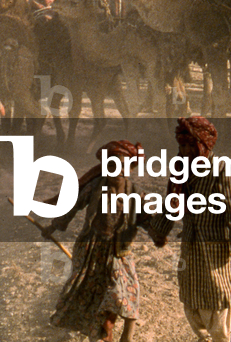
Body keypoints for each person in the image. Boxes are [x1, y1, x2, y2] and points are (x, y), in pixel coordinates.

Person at [146, 117, 231, 342]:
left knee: (217, 300)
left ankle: (219, 339)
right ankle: (203, 338)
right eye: (182, 146)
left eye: (190, 146)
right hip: (191, 245)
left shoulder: (221, 170)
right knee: (191, 301)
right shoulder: (180, 171)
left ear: (203, 146)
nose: (186, 151)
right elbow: (172, 204)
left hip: (216, 248)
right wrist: (160, 230)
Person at [42, 140, 145, 342]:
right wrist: (53, 226)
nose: (117, 170)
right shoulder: (94, 187)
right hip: (92, 249)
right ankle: (104, 334)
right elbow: (72, 206)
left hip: (119, 251)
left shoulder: (135, 192)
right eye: (111, 165)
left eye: (121, 165)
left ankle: (127, 337)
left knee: (125, 289)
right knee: (91, 295)